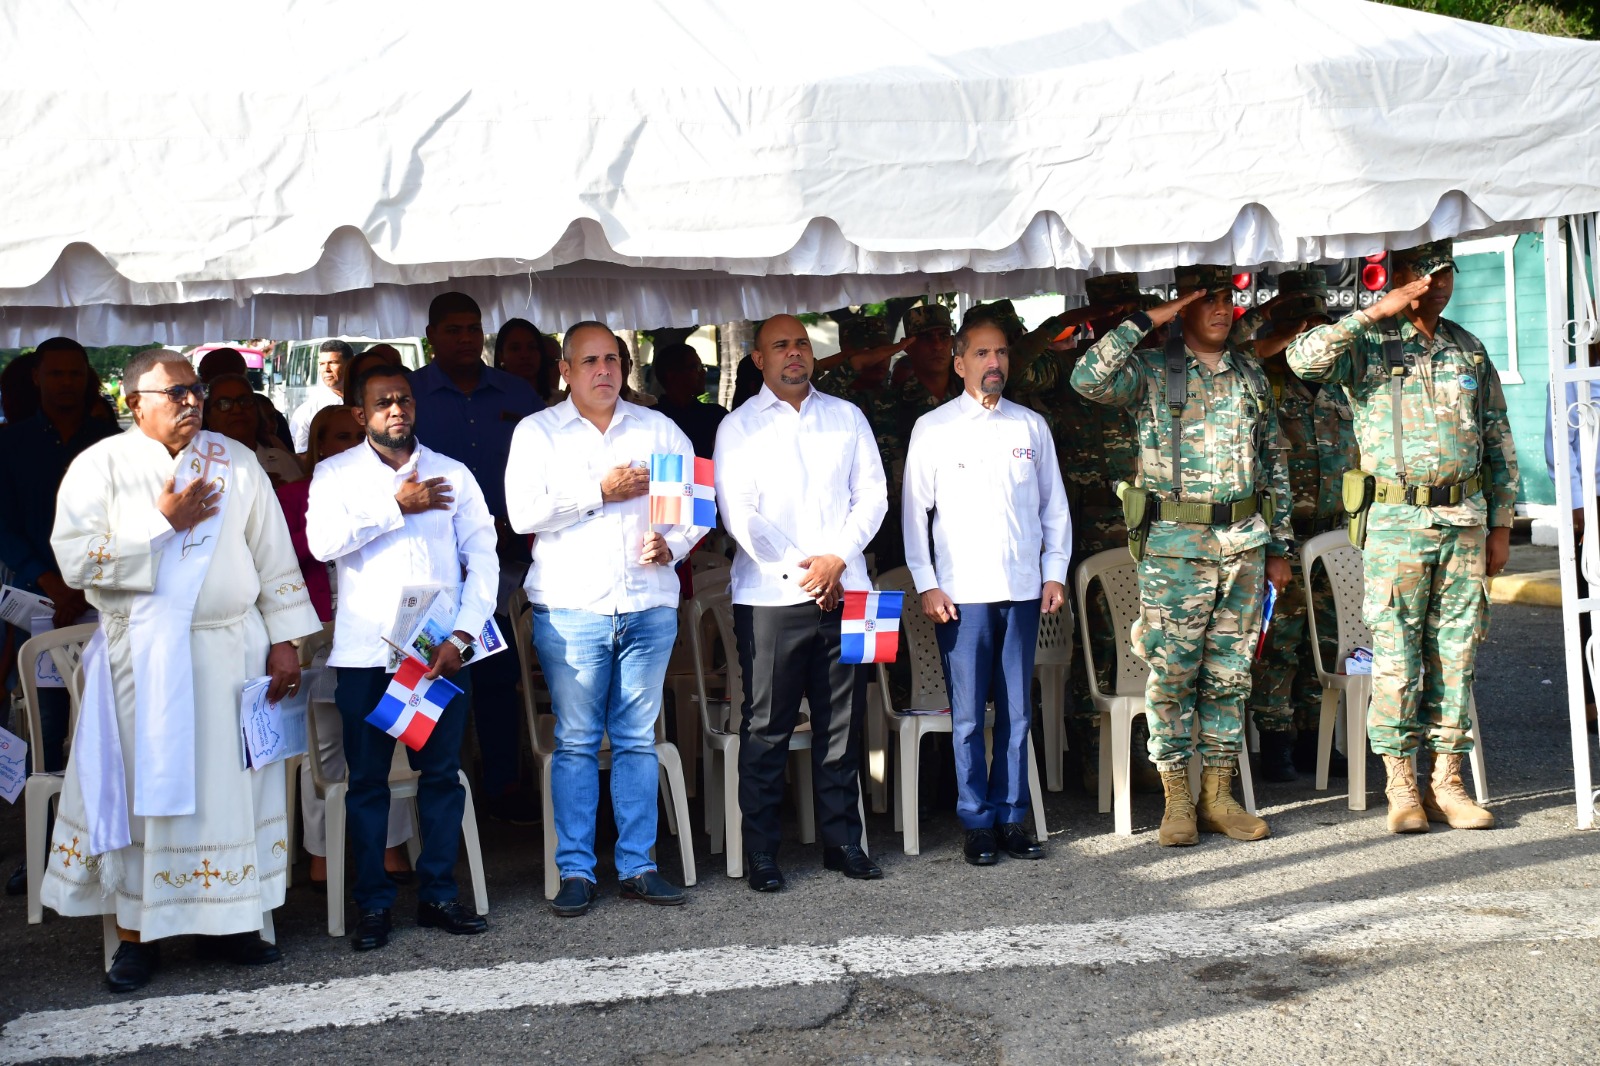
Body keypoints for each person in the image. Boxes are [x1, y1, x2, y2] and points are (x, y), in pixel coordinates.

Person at [43, 348, 320, 992]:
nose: (191, 400)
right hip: (141, 654)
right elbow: (75, 561)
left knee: (233, 791)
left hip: (233, 650)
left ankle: (235, 921)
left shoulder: (237, 461)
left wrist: (285, 642)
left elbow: (274, 557)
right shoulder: (99, 466)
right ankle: (138, 936)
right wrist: (159, 523)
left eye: (195, 389)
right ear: (133, 402)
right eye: (174, 392)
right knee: (148, 797)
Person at [1289, 240, 1517, 834]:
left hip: (1463, 521)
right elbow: (1302, 360)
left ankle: (1448, 780)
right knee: (1395, 657)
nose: (1437, 285)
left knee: (1457, 654)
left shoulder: (1467, 348)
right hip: (1396, 526)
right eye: (1425, 274)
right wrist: (1374, 311)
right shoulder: (1366, 345)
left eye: (1446, 274)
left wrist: (1501, 524)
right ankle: (1401, 783)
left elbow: (1497, 439)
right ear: (1398, 278)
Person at [1072, 264, 1292, 847]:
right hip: (1175, 550)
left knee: (1230, 673)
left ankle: (1217, 795)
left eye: (1229, 300)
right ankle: (1176, 798)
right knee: (1172, 675)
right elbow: (1086, 378)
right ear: (1185, 306)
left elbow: (1273, 461)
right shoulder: (1149, 370)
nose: (1223, 310)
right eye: (1208, 299)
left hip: (1244, 544)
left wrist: (1280, 546)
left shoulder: (1249, 372)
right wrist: (1149, 319)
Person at [505, 321, 710, 916]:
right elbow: (523, 513)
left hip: (647, 605)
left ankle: (639, 865)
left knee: (636, 739)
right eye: (589, 361)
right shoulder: (538, 433)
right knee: (573, 742)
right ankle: (575, 870)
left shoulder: (656, 429)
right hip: (573, 609)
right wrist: (599, 490)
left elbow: (697, 502)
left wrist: (674, 543)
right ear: (564, 371)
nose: (604, 370)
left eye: (612, 359)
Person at [306, 363, 497, 951]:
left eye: (405, 400)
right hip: (366, 656)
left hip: (435, 656)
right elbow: (321, 545)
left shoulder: (453, 474)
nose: (397, 410)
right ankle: (374, 904)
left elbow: (483, 556)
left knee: (442, 776)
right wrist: (397, 507)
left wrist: (463, 636)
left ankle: (438, 894)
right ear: (360, 414)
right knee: (367, 783)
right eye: (383, 402)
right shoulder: (334, 474)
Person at [714, 313, 888, 891]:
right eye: (780, 346)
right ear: (758, 360)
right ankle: (763, 853)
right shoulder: (738, 428)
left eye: (801, 344)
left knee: (843, 725)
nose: (795, 353)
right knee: (767, 727)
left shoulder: (847, 416)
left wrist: (836, 558)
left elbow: (873, 496)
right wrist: (807, 573)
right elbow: (741, 516)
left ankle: (844, 842)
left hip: (851, 589)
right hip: (770, 599)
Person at [902, 318, 1071, 864]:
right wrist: (927, 583)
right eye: (981, 353)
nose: (993, 362)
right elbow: (914, 516)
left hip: (1022, 589)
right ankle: (976, 821)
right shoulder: (933, 428)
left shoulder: (1030, 427)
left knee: (1019, 713)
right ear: (960, 363)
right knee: (971, 716)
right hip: (962, 595)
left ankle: (1013, 817)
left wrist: (1054, 571)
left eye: (1000, 353)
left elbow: (1054, 507)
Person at [1007, 274, 1149, 794]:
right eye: (1110, 310)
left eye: (1127, 310)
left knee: (1145, 643)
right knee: (1097, 645)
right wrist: (1058, 326)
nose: (1118, 319)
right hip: (1089, 527)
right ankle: (1094, 759)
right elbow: (1012, 370)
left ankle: (1145, 754)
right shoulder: (1070, 366)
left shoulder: (1153, 366)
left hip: (1148, 526)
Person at [410, 292, 543, 824]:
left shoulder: (516, 392)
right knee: (431, 676)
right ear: (431, 335)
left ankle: (502, 788)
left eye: (473, 328)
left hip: (506, 563)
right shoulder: (413, 394)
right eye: (454, 329)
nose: (466, 338)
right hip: (436, 566)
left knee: (497, 672)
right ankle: (436, 797)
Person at [277, 404, 417, 888]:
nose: (346, 445)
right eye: (336, 437)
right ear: (317, 447)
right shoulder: (293, 493)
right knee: (326, 747)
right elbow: (290, 552)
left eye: (352, 436)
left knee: (391, 735)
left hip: (379, 629)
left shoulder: (396, 489)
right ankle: (322, 851)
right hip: (314, 627)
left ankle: (391, 846)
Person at [0, 338, 119, 896]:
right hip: (41, 606)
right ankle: (44, 851)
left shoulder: (114, 443)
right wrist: (51, 581)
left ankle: (103, 848)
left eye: (77, 373)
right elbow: (4, 526)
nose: (67, 383)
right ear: (38, 380)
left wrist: (86, 581)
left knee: (107, 727)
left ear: (89, 379)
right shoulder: (12, 444)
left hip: (104, 602)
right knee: (47, 735)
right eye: (57, 374)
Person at [1233, 272, 1358, 782]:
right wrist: (1276, 318)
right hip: (1287, 532)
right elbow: (1238, 342)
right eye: (1301, 322)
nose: (1311, 331)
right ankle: (1277, 740)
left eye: (1318, 321)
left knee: (1325, 642)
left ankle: (1316, 737)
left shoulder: (1338, 383)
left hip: (1334, 531)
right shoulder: (1263, 379)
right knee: (1280, 643)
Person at [1546, 336, 1600, 732]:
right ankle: (1588, 697)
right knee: (1590, 600)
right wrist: (1578, 506)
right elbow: (1558, 448)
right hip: (1595, 501)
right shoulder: (1568, 376)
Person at [204, 373, 305, 485]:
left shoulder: (282, 461)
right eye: (224, 404)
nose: (237, 410)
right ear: (208, 417)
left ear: (257, 411)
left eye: (245, 401)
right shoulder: (197, 466)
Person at [652, 341, 726, 460]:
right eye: (696, 367)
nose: (703, 372)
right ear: (671, 375)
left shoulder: (716, 415)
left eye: (702, 367)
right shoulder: (651, 418)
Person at [290, 339, 354, 452]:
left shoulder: (366, 403)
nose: (326, 369)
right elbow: (301, 454)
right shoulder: (307, 411)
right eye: (322, 364)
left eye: (333, 363)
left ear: (349, 364)